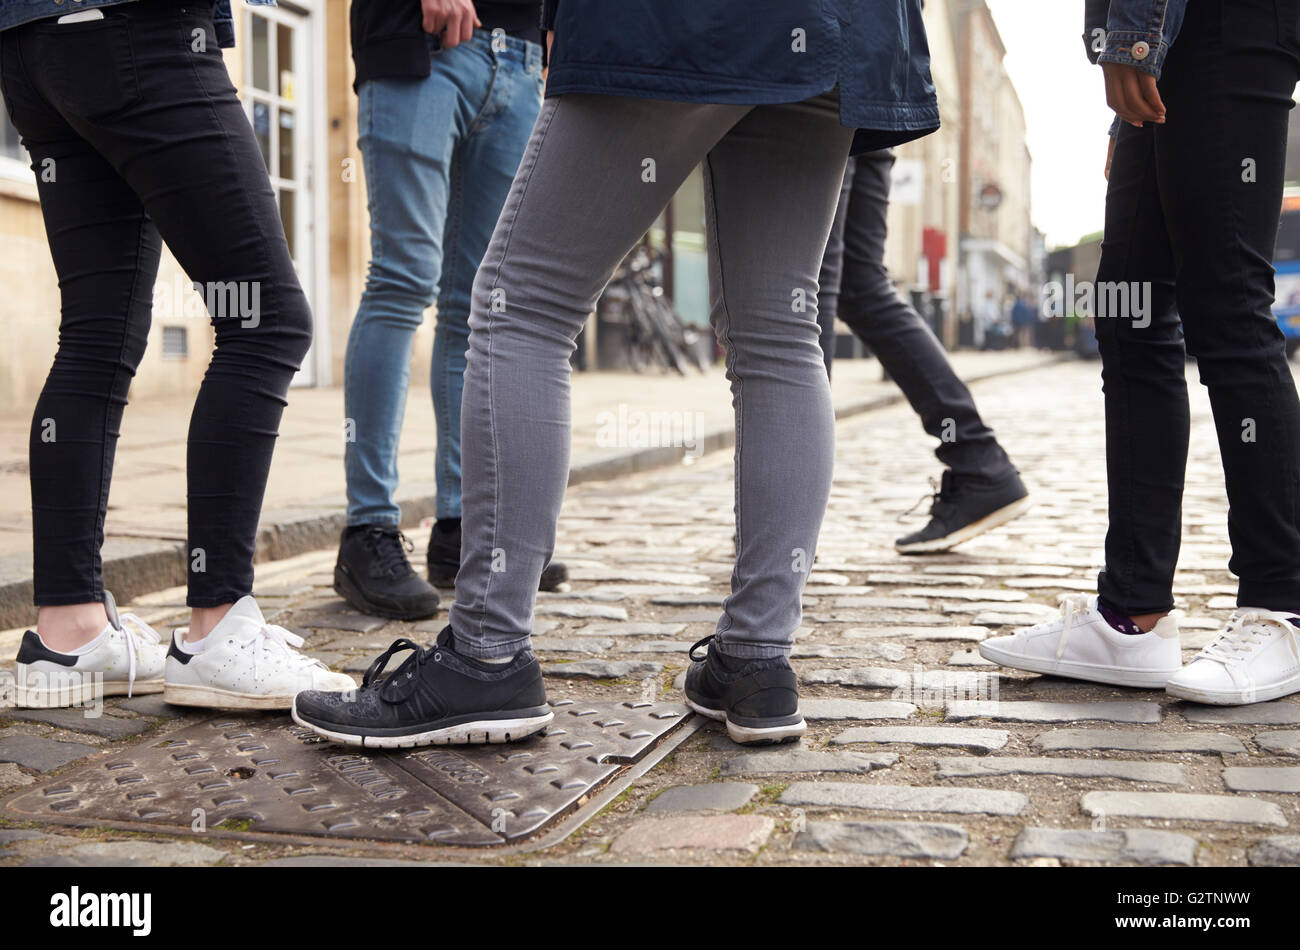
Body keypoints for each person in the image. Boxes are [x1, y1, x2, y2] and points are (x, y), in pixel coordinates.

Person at [292, 0, 941, 747]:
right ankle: (758, 660)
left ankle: (485, 655)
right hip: (848, 24)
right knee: (780, 336)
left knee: (521, 304)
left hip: (693, 24)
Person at [2, 0, 354, 709]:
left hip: (30, 45)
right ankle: (217, 628)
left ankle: (68, 636)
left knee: (95, 336)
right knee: (265, 320)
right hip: (141, 30)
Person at [981, 0, 1300, 706]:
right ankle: (1132, 615)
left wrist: (1131, 34)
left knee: (1226, 302)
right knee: (1129, 314)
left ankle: (1283, 603)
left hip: (1224, 23)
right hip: (1172, 35)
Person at [333, 0, 568, 622]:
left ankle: (462, 527)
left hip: (518, 60)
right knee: (401, 282)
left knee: (480, 306)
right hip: (420, 42)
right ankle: (368, 531)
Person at [816, 151, 1030, 554]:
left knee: (810, 284)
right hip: (875, 110)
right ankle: (978, 460)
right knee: (857, 285)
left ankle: (781, 513)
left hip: (822, 103)